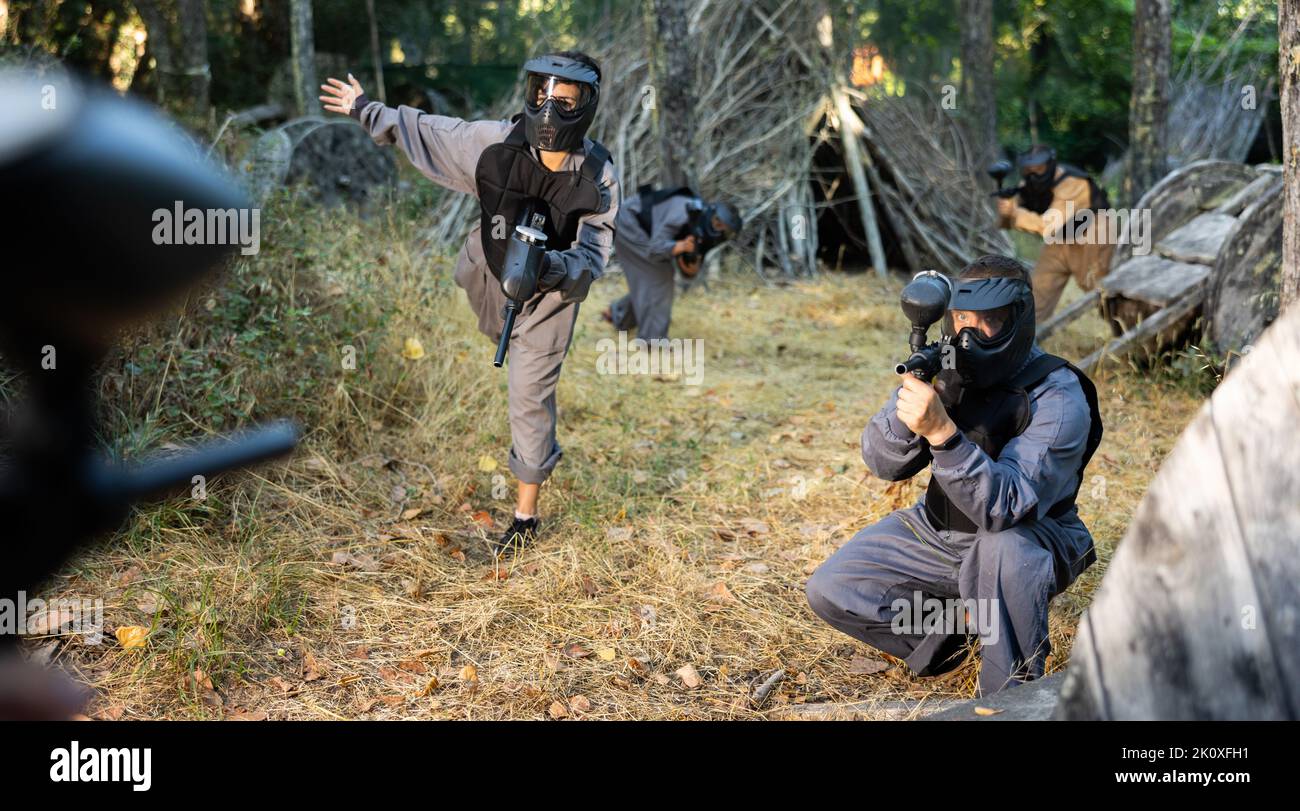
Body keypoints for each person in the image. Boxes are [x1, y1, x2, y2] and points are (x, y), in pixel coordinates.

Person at [320, 52, 619, 556]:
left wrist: (550, 268)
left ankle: (524, 516)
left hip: (550, 302)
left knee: (528, 397)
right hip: (486, 274)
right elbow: (430, 130)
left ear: (586, 106)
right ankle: (497, 309)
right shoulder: (495, 144)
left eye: (565, 101)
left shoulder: (597, 173)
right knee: (481, 297)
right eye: (541, 95)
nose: (549, 110)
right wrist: (364, 108)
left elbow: (594, 254)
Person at [804, 255, 1103, 696]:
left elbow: (1006, 508)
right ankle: (962, 634)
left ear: (1018, 320)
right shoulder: (944, 361)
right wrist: (925, 395)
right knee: (833, 587)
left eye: (990, 321)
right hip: (937, 532)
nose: (970, 333)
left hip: (1030, 538)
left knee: (1003, 547)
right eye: (962, 318)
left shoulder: (1057, 394)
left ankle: (1010, 695)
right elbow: (885, 463)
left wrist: (943, 433)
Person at [995, 145, 1114, 322]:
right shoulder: (1029, 185)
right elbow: (1008, 222)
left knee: (1103, 294)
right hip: (1060, 241)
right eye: (1028, 170)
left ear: (1050, 165)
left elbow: (1050, 225)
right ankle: (1022, 340)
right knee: (1038, 294)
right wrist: (1006, 211)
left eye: (1039, 168)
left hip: (1092, 237)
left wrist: (1015, 213)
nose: (1033, 174)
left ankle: (1135, 336)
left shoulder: (1073, 183)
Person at [603, 187, 741, 340]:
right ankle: (653, 340)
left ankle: (618, 314)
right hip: (629, 221)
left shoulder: (709, 234)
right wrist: (679, 246)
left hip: (648, 232)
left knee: (653, 278)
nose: (720, 231)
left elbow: (688, 271)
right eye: (718, 223)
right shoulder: (684, 213)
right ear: (712, 213)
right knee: (661, 276)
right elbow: (655, 250)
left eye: (727, 231)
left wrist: (692, 269)